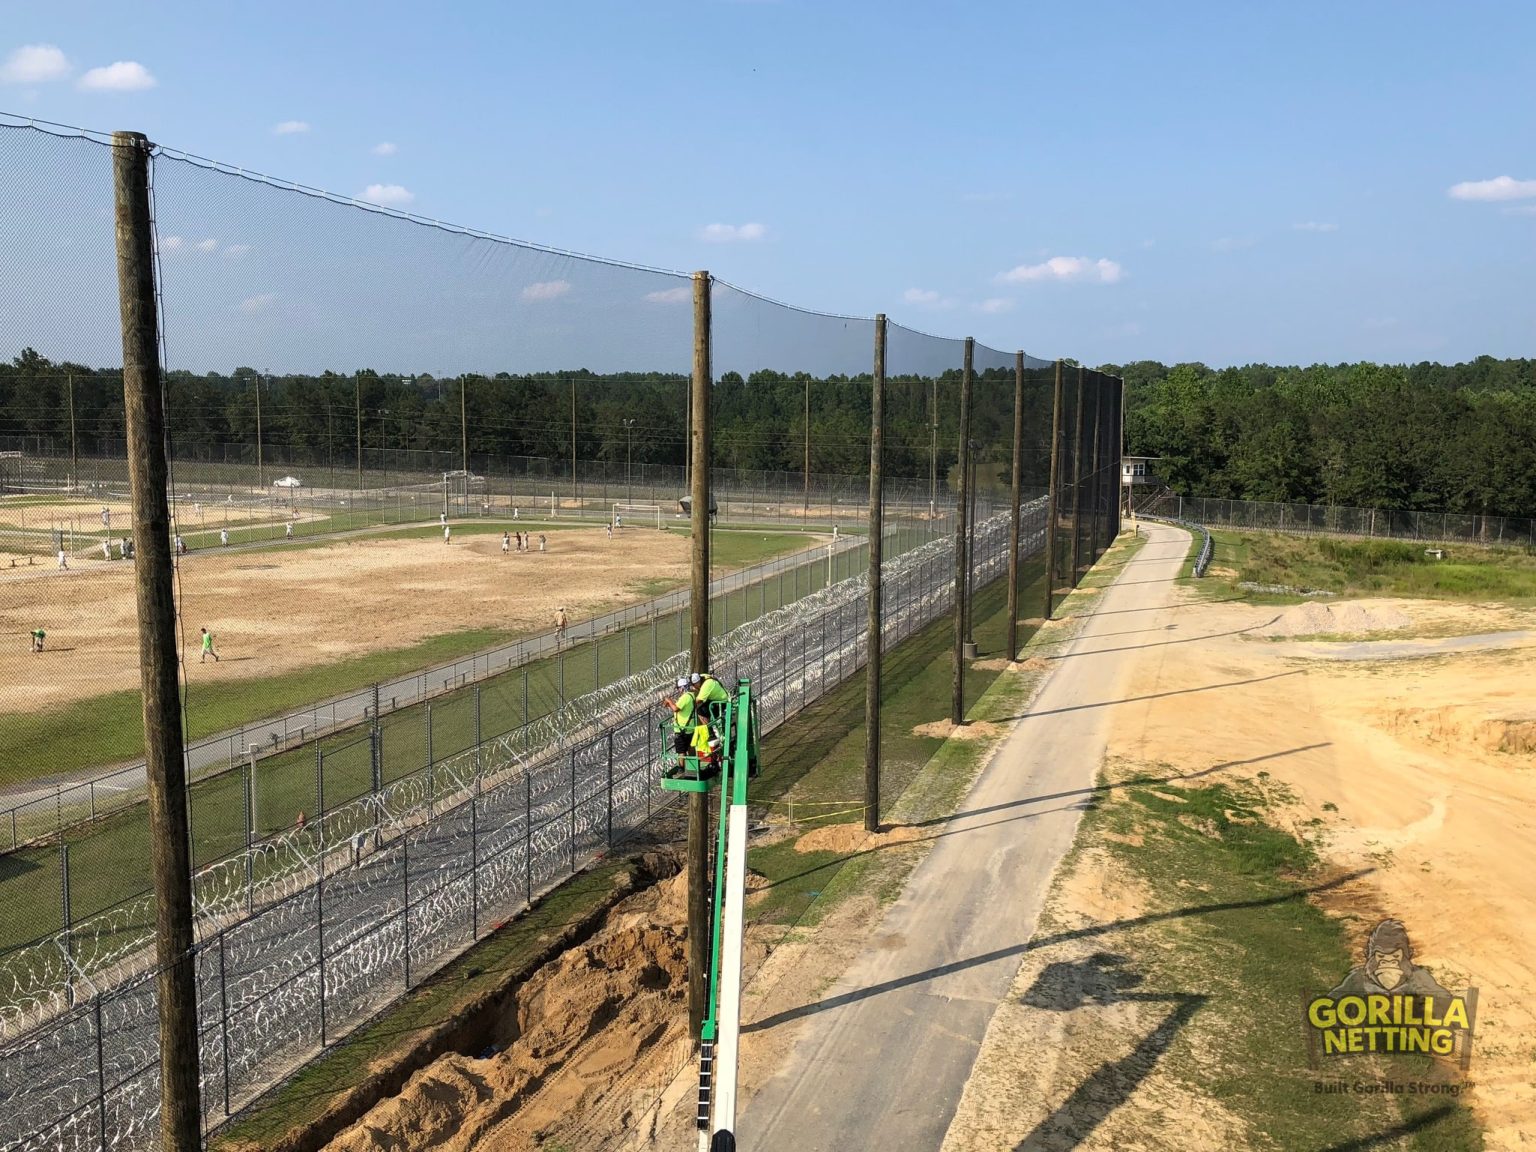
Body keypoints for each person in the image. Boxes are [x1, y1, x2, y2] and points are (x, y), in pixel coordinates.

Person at [663, 676, 696, 754]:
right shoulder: (691, 695)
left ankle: (682, 766)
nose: (678, 690)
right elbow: (679, 707)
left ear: (682, 688)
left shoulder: (685, 697)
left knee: (681, 752)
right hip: (690, 727)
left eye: (678, 688)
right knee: (690, 747)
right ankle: (693, 765)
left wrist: (669, 700)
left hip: (682, 729)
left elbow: (675, 709)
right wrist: (670, 704)